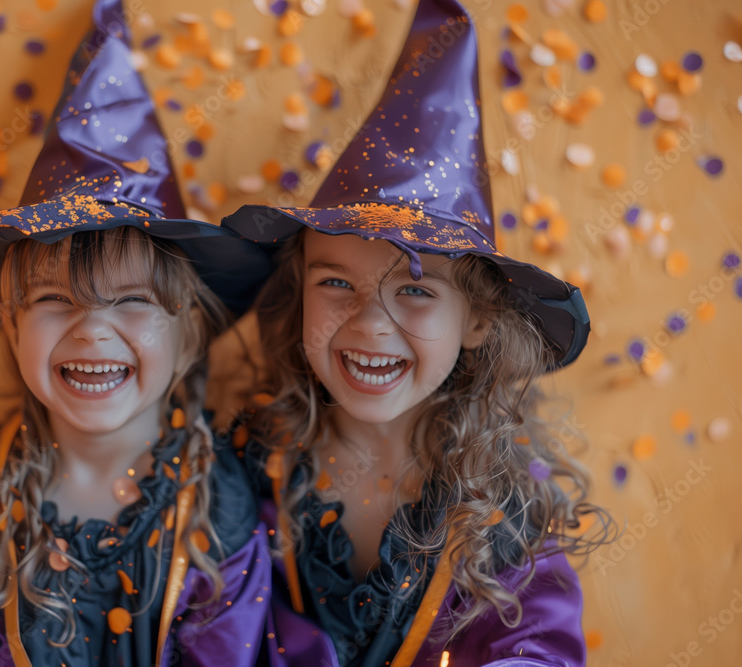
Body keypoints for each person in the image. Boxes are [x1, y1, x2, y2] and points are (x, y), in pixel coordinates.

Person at [0, 1, 335, 665]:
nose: (92, 331)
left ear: (188, 337)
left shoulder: (218, 501)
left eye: (130, 301)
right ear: (9, 324)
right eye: (53, 300)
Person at [222, 0, 611, 665]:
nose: (371, 325)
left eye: (414, 290)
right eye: (336, 283)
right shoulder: (256, 462)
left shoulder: (500, 495)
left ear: (479, 318)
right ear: (298, 290)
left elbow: (536, 645)